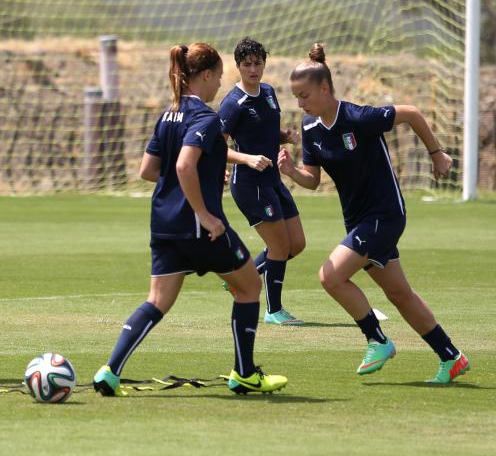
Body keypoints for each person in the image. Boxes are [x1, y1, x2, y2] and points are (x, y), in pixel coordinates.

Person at [92, 42, 287, 397]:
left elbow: (149, 170)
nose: (218, 87)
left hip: (163, 225)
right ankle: (244, 374)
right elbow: (183, 165)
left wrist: (207, 173)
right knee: (249, 287)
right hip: (201, 229)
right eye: (218, 78)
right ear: (207, 75)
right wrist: (204, 213)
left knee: (157, 301)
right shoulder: (205, 117)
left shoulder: (168, 114)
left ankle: (110, 370)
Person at [278, 43, 470, 383]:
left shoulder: (359, 117)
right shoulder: (309, 130)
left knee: (330, 276)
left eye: (304, 95)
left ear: (325, 88)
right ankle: (450, 356)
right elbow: (313, 180)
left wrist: (437, 153)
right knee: (399, 294)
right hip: (360, 221)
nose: (300, 104)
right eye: (296, 97)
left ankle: (376, 339)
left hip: (385, 214)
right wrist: (292, 172)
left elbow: (410, 112)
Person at [218, 37, 306, 325]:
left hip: (272, 180)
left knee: (297, 244)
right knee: (279, 248)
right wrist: (246, 159)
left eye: (258, 63)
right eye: (247, 64)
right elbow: (216, 147)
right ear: (238, 67)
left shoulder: (268, 92)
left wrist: (285, 137)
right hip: (249, 184)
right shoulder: (233, 103)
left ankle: (237, 278)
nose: (254, 69)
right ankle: (273, 311)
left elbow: (265, 131)